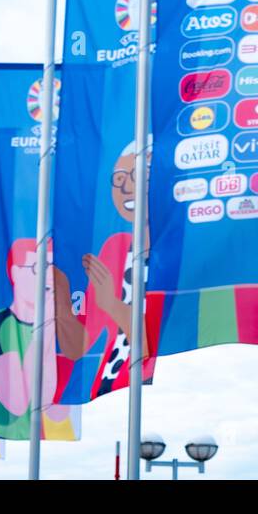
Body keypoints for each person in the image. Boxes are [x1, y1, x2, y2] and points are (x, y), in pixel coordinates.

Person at [53, 140, 162, 401]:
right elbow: (80, 348)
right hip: (111, 392)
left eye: (137, 176)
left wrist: (110, 303)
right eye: (120, 178)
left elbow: (156, 340)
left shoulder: (172, 254)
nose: (126, 187)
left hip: (154, 393)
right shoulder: (115, 248)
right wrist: (63, 306)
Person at [0, 238, 73, 439]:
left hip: (37, 439)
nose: (49, 276)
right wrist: (45, 329)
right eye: (39, 267)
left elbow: (56, 411)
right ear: (15, 272)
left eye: (54, 268)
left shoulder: (56, 325)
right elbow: (14, 404)